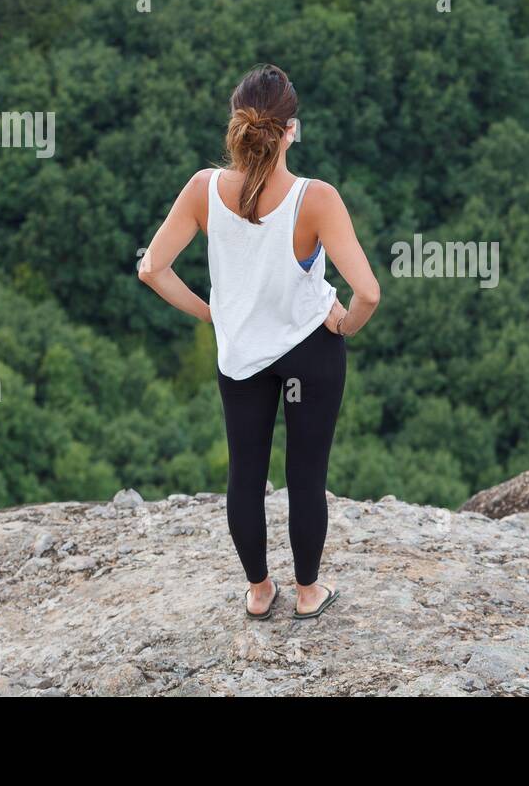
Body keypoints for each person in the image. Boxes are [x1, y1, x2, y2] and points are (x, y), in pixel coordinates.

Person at [139, 63, 381, 620]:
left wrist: (212, 314)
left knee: (245, 474)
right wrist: (343, 323)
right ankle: (307, 593)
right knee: (305, 475)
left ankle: (257, 591)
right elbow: (366, 292)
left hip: (241, 355)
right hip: (310, 352)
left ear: (236, 124)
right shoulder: (315, 198)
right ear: (292, 128)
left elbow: (153, 268)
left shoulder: (204, 189)